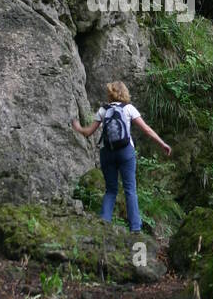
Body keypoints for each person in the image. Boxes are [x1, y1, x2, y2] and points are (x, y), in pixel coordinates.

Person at [71, 81, 171, 233]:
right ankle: (135, 229)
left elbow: (87, 132)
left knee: (111, 190)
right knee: (130, 189)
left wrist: (77, 126)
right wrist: (162, 143)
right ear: (124, 93)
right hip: (126, 152)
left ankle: (104, 225)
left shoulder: (103, 110)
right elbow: (146, 130)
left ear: (110, 94)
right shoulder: (129, 109)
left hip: (107, 153)